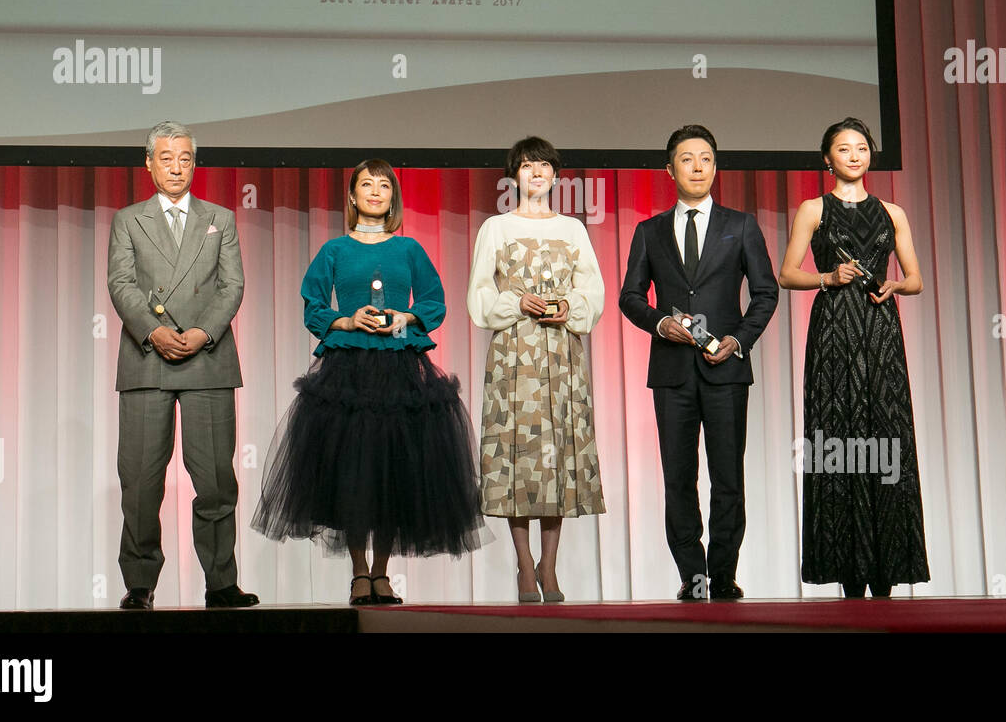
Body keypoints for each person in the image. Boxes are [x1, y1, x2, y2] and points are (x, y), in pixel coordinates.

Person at [252, 159, 484, 604]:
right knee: (353, 474)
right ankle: (360, 573)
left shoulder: (410, 249)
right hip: (349, 372)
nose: (375, 191)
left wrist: (407, 315)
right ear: (353, 196)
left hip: (401, 369)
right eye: (366, 184)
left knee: (396, 471)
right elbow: (312, 307)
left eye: (384, 185)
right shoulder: (334, 251)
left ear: (393, 196)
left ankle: (382, 573)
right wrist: (346, 319)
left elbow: (434, 300)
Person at [619, 125, 778, 600]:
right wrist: (658, 324)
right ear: (670, 170)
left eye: (706, 158)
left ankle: (724, 573)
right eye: (687, 159)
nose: (697, 167)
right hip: (671, 372)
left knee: (728, 474)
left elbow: (766, 293)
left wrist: (739, 339)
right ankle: (693, 575)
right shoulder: (648, 231)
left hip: (726, 368)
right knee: (678, 477)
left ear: (715, 166)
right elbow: (630, 296)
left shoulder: (741, 224)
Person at [106, 121, 258, 610]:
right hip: (147, 357)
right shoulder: (129, 220)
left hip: (207, 360)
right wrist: (153, 331)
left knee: (215, 479)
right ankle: (140, 585)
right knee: (141, 480)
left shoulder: (221, 218)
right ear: (148, 164)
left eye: (186, 158)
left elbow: (231, 286)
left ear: (195, 163)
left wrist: (202, 333)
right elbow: (121, 285)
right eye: (166, 158)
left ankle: (221, 584)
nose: (177, 167)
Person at [778, 117, 930, 597]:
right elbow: (786, 274)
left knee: (886, 439)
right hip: (834, 334)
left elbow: (916, 279)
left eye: (861, 147)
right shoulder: (812, 209)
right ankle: (848, 574)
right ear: (828, 159)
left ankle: (886, 572)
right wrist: (828, 278)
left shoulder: (893, 212)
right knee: (838, 441)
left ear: (871, 155)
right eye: (843, 149)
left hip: (881, 334)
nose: (854, 155)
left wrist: (896, 284)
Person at [467, 137, 606, 602]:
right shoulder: (496, 228)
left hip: (563, 352)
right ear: (515, 176)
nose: (536, 172)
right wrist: (515, 301)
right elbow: (479, 296)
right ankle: (525, 564)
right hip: (515, 352)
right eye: (527, 166)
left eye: (544, 165)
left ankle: (550, 564)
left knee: (558, 456)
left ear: (556, 175)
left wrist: (569, 305)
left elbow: (594, 291)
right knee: (518, 455)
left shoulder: (573, 229)